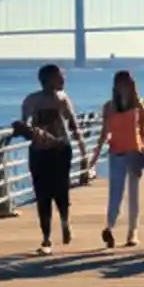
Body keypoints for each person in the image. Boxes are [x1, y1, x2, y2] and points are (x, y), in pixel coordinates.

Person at [18, 64, 89, 256]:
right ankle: (46, 238)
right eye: (59, 76)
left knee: (61, 190)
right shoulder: (32, 101)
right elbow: (24, 126)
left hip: (61, 150)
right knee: (43, 195)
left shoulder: (63, 99)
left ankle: (65, 222)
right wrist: (30, 132)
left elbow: (73, 125)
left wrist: (84, 151)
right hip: (40, 152)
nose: (63, 79)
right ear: (47, 79)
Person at [89, 70, 144, 249]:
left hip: (134, 152)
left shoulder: (139, 106)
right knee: (115, 193)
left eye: (127, 83)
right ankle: (110, 226)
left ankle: (133, 232)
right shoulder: (109, 107)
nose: (123, 86)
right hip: (116, 153)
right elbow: (104, 133)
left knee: (134, 194)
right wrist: (95, 156)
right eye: (120, 83)